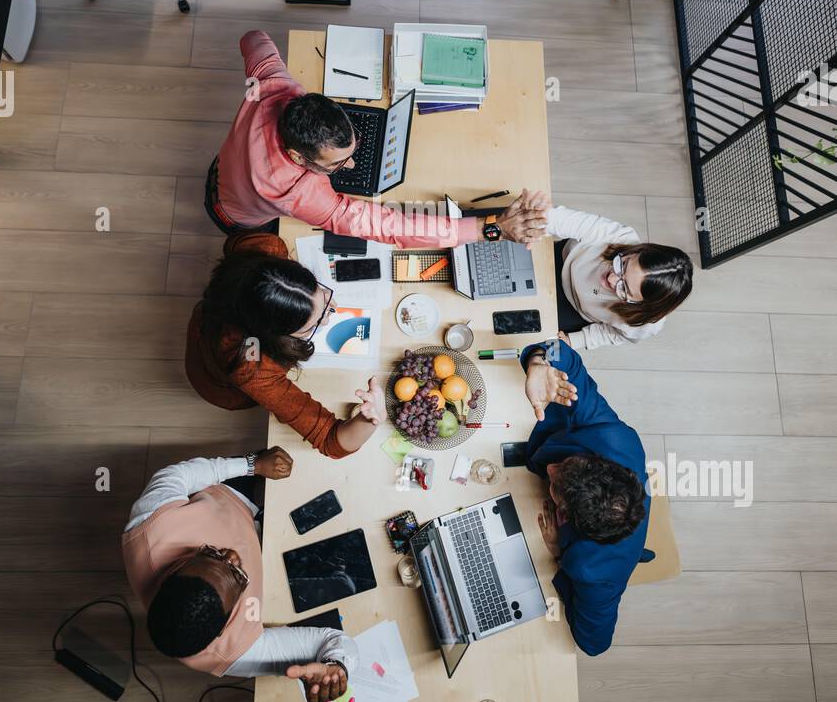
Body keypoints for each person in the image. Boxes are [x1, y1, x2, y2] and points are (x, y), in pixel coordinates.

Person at [206, 28, 550, 248]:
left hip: (224, 165)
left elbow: (253, 38)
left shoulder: (272, 85)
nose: (351, 163)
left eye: (350, 149)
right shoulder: (296, 193)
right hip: (235, 215)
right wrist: (490, 229)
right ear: (298, 158)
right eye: (338, 163)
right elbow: (390, 226)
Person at [122, 453, 355, 702]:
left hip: (232, 497)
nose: (232, 556)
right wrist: (337, 665)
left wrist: (252, 465)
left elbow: (181, 474)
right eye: (238, 576)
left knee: (312, 460)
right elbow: (333, 640)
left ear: (175, 570)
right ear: (224, 627)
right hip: (271, 552)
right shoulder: (234, 653)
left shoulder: (150, 522)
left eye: (212, 554)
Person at [185, 229, 384, 459]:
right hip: (217, 381)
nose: (331, 314)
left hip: (209, 315)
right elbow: (330, 440)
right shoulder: (252, 366)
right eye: (312, 326)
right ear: (273, 337)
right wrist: (370, 419)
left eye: (321, 294)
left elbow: (235, 240)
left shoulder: (265, 246)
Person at [520, 337, 651, 657]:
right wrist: (538, 362)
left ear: (571, 520)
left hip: (598, 554)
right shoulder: (615, 439)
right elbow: (561, 351)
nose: (550, 469)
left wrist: (557, 554)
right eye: (565, 466)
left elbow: (594, 644)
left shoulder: (596, 572)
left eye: (555, 486)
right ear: (599, 461)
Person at [543, 204, 693, 350]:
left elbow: (615, 334)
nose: (611, 279)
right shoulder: (622, 236)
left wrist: (574, 341)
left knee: (540, 344)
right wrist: (539, 219)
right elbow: (570, 221)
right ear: (637, 250)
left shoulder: (646, 324)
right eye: (622, 265)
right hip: (561, 261)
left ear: (641, 305)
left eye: (625, 289)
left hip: (574, 311)